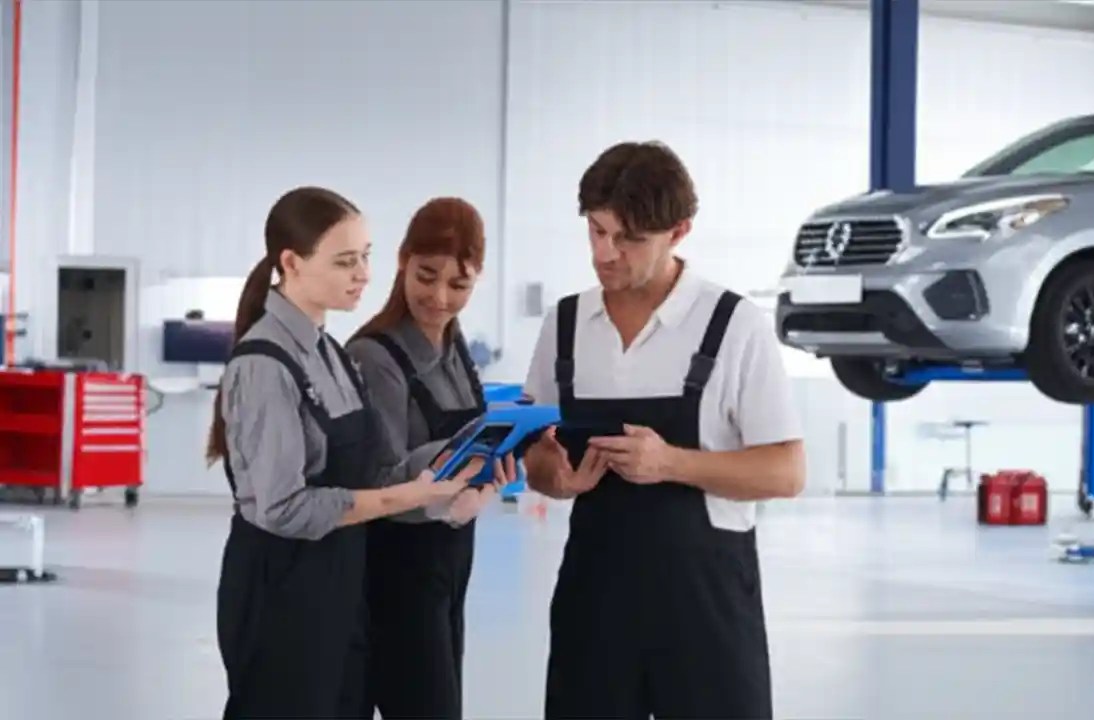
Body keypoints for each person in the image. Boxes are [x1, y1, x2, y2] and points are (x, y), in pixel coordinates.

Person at [521, 141, 807, 720]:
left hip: (705, 608)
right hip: (593, 600)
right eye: (597, 232)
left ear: (678, 232)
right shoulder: (567, 324)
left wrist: (671, 463)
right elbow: (535, 453)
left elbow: (787, 471)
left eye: (628, 240)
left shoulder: (733, 326)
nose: (606, 253)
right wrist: (550, 474)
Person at [206, 186, 479, 720]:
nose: (363, 275)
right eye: (345, 261)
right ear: (292, 263)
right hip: (281, 591)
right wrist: (397, 498)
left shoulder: (331, 354)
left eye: (367, 257)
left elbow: (379, 470)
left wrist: (459, 466)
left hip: (341, 586)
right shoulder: (264, 364)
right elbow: (283, 507)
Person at [346, 196, 516, 720]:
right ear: (401, 260)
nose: (439, 298)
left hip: (451, 559)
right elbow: (380, 478)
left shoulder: (456, 346)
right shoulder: (375, 355)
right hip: (396, 567)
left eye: (458, 285)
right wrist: (448, 482)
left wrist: (489, 479)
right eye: (426, 276)